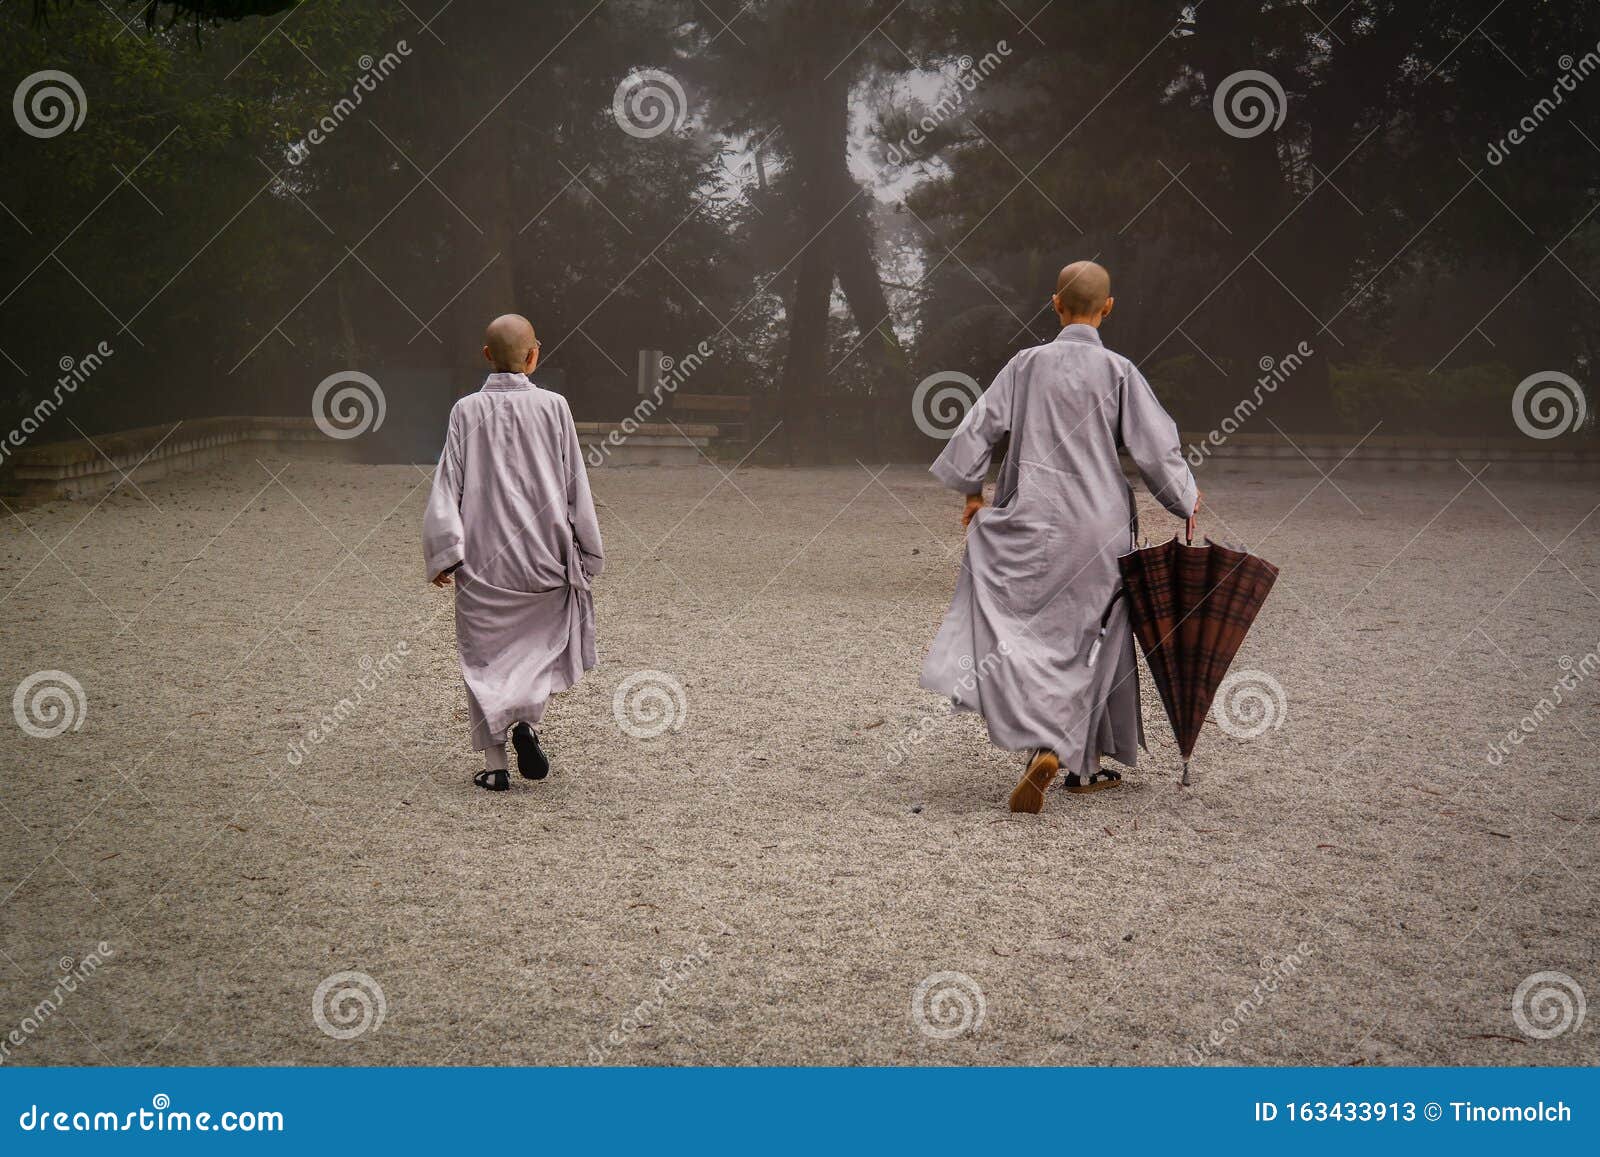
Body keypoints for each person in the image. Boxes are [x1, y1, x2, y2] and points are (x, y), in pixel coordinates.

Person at [920, 261, 1199, 814]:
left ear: (1056, 304)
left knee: (1022, 634)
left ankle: (1052, 751)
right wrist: (1185, 498)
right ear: (1108, 307)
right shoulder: (1118, 371)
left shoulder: (1026, 365)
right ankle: (1071, 759)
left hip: (1031, 517)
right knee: (1094, 639)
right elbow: (1155, 451)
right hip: (1099, 526)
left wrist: (974, 495)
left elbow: (978, 427)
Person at [423, 313, 604, 792]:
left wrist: (446, 551)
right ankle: (526, 719)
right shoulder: (555, 407)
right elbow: (574, 482)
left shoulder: (465, 411)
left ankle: (496, 765)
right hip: (544, 553)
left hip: (484, 558)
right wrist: (588, 546)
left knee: (484, 656)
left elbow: (449, 483)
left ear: (486, 355)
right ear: (533, 354)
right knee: (536, 647)